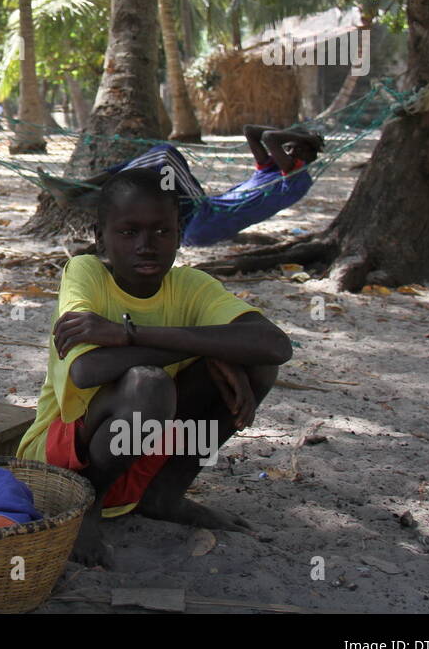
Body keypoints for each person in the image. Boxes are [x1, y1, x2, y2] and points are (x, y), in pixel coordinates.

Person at [16, 167, 294, 567]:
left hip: (141, 451)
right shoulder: (86, 273)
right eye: (128, 233)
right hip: (64, 462)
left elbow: (274, 345)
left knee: (258, 369)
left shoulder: (190, 285)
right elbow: (87, 371)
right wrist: (202, 349)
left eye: (161, 232)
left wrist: (129, 334)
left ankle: (164, 494)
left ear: (179, 234)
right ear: (101, 238)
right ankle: (85, 509)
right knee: (148, 384)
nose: (146, 245)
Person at [38, 123, 325, 246]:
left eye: (295, 149)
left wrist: (303, 139)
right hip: (198, 216)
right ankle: (82, 190)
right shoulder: (273, 169)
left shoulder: (296, 178)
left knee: (165, 155)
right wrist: (298, 135)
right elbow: (252, 132)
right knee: (158, 164)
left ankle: (86, 191)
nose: (287, 151)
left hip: (204, 218)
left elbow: (272, 139)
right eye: (289, 147)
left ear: (305, 156)